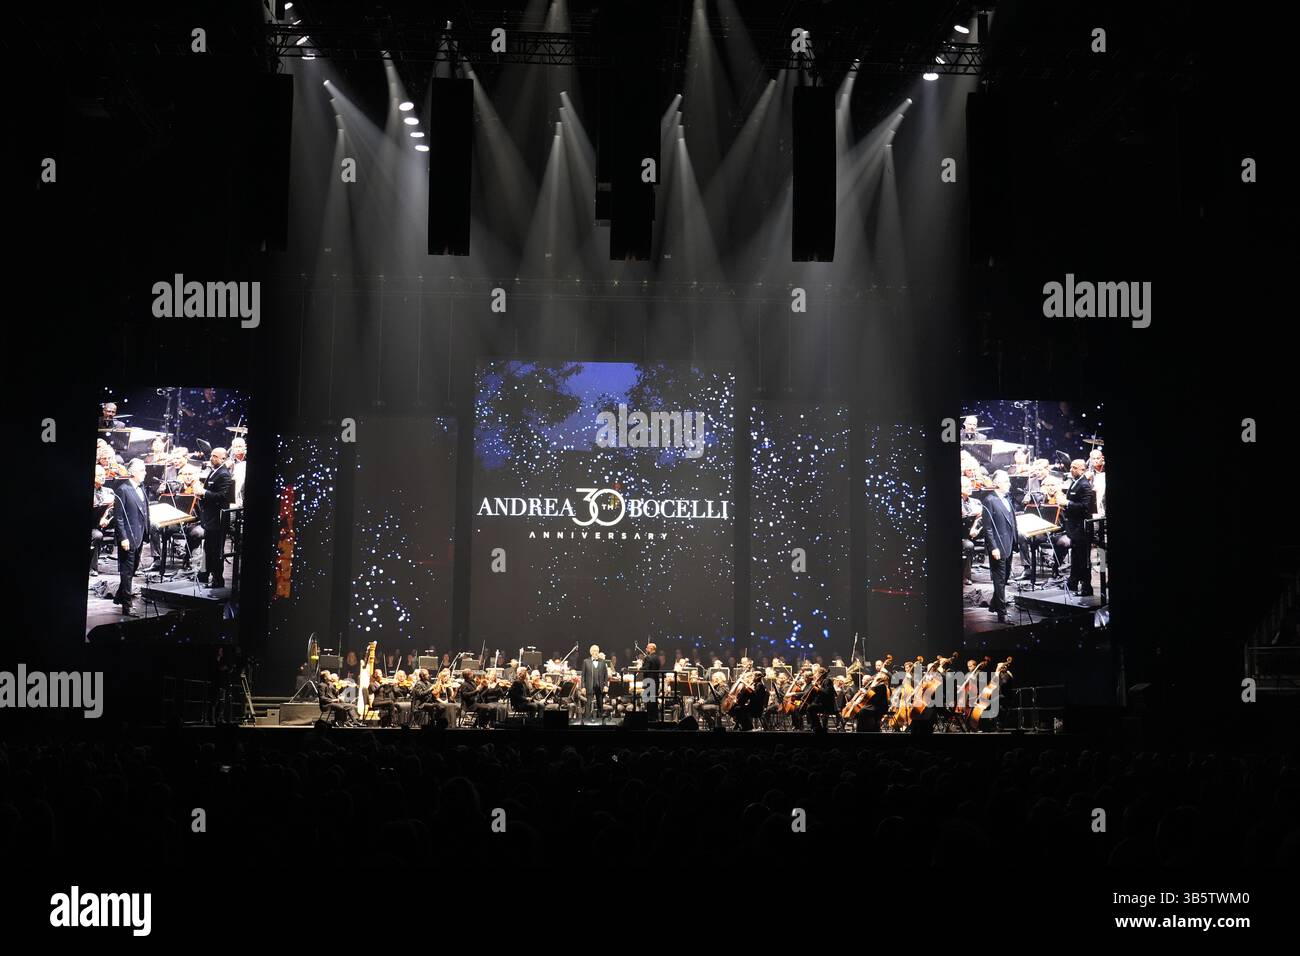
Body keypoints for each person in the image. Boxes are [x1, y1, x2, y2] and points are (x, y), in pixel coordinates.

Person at [112, 459, 150, 614]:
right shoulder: (123, 489)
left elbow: (145, 511)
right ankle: (126, 606)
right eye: (142, 470)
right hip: (128, 537)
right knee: (127, 572)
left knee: (132, 569)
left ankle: (119, 596)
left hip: (140, 535)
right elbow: (119, 517)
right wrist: (123, 538)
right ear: (133, 472)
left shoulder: (142, 488)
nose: (145, 473)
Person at [980, 470, 1018, 623]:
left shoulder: (1007, 499)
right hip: (998, 546)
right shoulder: (990, 500)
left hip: (1009, 544)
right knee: (999, 580)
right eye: (1006, 481)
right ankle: (1002, 614)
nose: (1009, 484)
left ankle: (994, 605)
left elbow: (1012, 521)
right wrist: (993, 547)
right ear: (996, 483)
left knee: (1005, 577)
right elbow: (988, 527)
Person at [194, 447, 234, 588]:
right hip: (210, 518)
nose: (211, 458)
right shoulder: (214, 472)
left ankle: (218, 579)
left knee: (216, 550)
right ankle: (207, 575)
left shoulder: (224, 474)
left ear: (223, 459)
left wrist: (203, 492)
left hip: (218, 519)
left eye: (215, 456)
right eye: (211, 455)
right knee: (209, 548)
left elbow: (222, 496)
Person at [1062, 459, 1095, 596]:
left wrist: (1067, 503)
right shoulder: (1075, 482)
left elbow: (1085, 507)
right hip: (1074, 527)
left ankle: (1086, 587)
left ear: (1082, 470)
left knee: (1083, 558)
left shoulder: (1084, 485)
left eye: (1074, 468)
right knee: (1075, 557)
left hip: (1082, 528)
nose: (1071, 469)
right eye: (1071, 467)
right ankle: (1073, 582)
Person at [91, 465, 115, 576]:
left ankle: (129, 568)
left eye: (103, 474)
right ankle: (92, 568)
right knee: (97, 535)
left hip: (102, 523)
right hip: (92, 526)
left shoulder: (108, 491)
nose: (103, 477)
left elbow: (112, 507)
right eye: (99, 475)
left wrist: (105, 518)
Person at [581, 644, 609, 720]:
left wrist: (606, 685)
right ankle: (587, 719)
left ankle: (600, 719)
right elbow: (583, 675)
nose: (596, 652)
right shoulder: (586, 661)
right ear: (591, 652)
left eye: (597, 651)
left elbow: (606, 675)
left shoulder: (602, 662)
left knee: (600, 703)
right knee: (588, 703)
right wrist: (583, 687)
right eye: (594, 651)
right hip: (589, 685)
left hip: (599, 686)